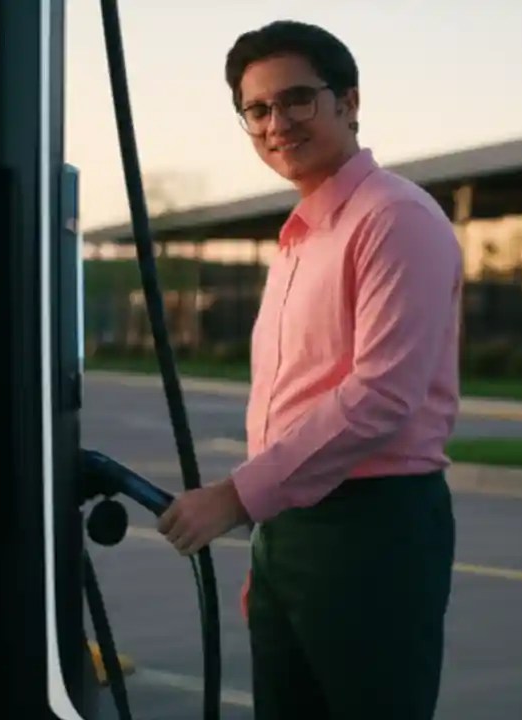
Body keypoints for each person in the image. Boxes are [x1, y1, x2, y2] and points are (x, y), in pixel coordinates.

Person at [156, 19, 463, 720]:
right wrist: (271, 547)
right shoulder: (300, 237)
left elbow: (381, 396)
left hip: (371, 531)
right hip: (293, 528)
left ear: (348, 102)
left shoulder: (394, 218)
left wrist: (235, 499)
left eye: (297, 99)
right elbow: (294, 405)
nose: (276, 122)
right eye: (256, 110)